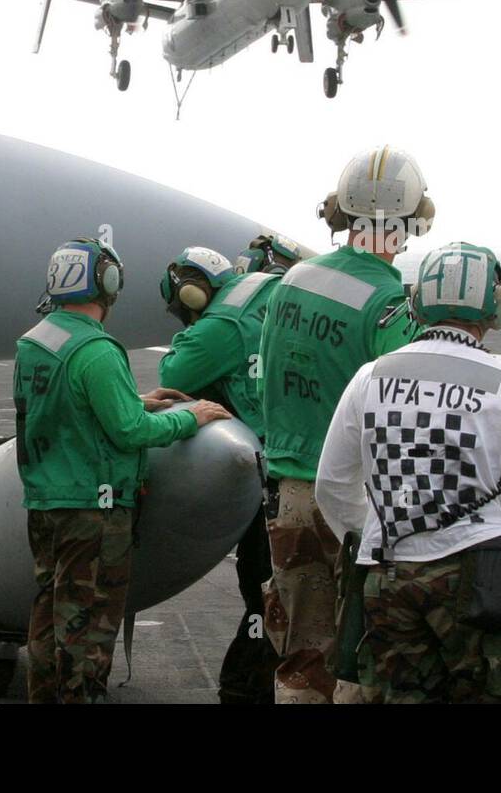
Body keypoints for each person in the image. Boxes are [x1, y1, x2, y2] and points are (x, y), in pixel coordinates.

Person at [316, 242, 501, 703]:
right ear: (495, 307)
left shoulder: (370, 377)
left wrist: (378, 533)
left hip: (390, 574)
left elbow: (331, 484)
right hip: (485, 579)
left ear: (417, 301)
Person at [14, 236, 230, 704]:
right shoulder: (98, 350)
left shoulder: (36, 341)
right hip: (93, 510)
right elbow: (130, 433)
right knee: (88, 623)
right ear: (108, 282)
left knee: (49, 612)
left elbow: (66, 406)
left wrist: (137, 400)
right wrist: (189, 417)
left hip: (45, 503)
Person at [258, 145, 430, 703]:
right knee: (361, 662)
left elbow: (267, 381)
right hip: (358, 505)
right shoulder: (388, 303)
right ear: (406, 223)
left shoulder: (291, 281)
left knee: (302, 658)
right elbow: (406, 404)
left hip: (289, 493)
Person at [156, 242, 295, 704]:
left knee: (263, 588)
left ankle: (244, 690)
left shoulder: (217, 328)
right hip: (310, 456)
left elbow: (174, 375)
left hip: (270, 473)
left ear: (192, 295)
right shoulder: (269, 290)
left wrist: (188, 338)